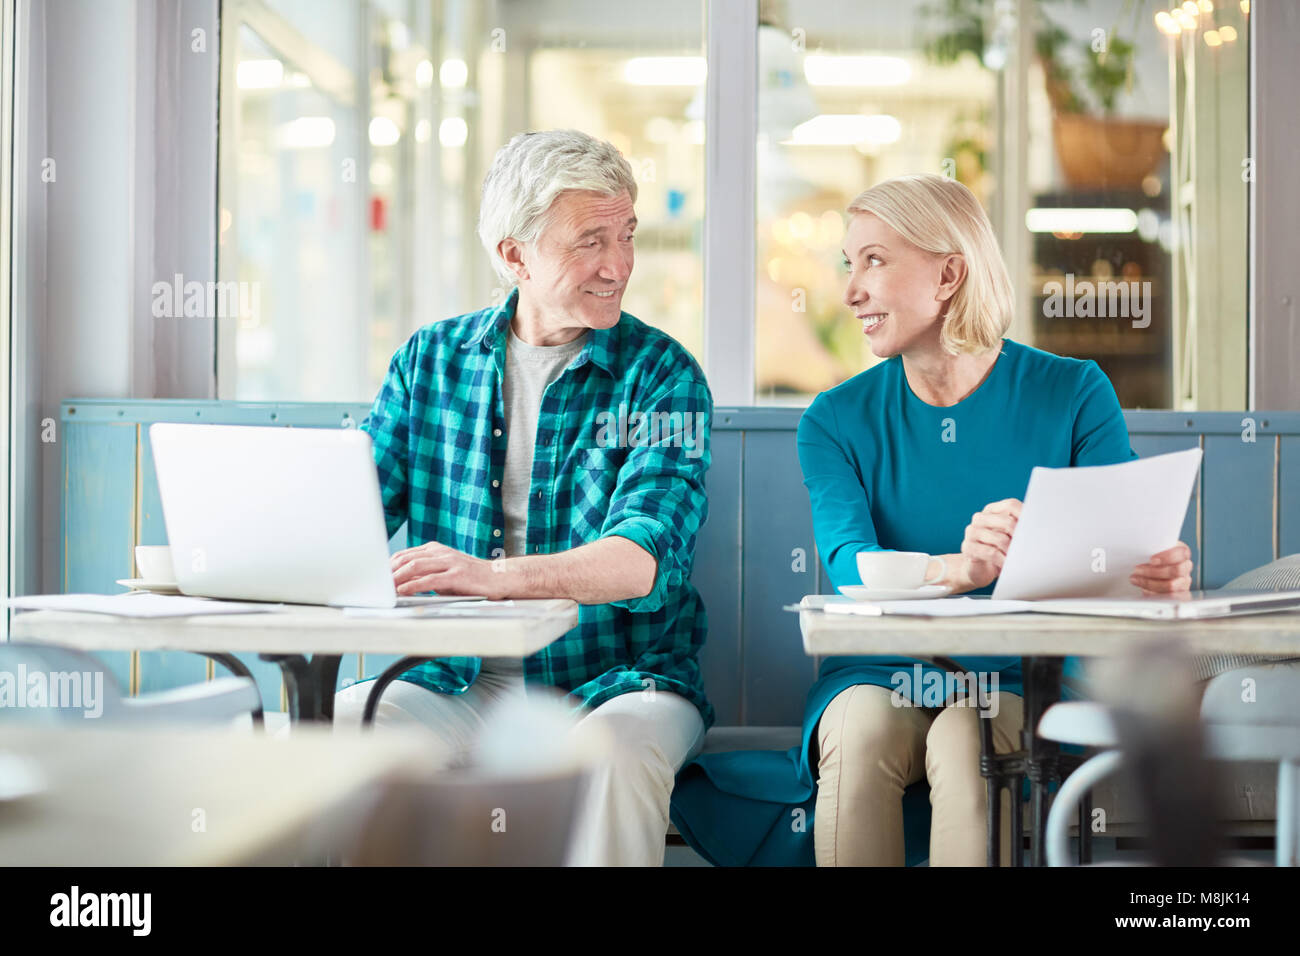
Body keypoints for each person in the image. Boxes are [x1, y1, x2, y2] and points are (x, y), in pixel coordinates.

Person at [332, 129, 714, 866]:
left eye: (627, 235)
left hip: (617, 684)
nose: (619, 264)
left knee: (616, 754)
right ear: (514, 256)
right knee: (343, 731)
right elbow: (351, 520)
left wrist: (494, 576)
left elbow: (642, 561)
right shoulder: (431, 360)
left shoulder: (663, 375)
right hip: (452, 678)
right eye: (590, 241)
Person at [796, 173, 1192, 866]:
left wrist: (1150, 574)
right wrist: (962, 569)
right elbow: (849, 563)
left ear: (949, 274)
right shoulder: (834, 419)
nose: (850, 289)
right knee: (858, 734)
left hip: (1020, 675)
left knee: (964, 737)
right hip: (875, 672)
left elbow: (1117, 552)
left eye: (874, 260)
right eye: (848, 264)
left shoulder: (1072, 393)